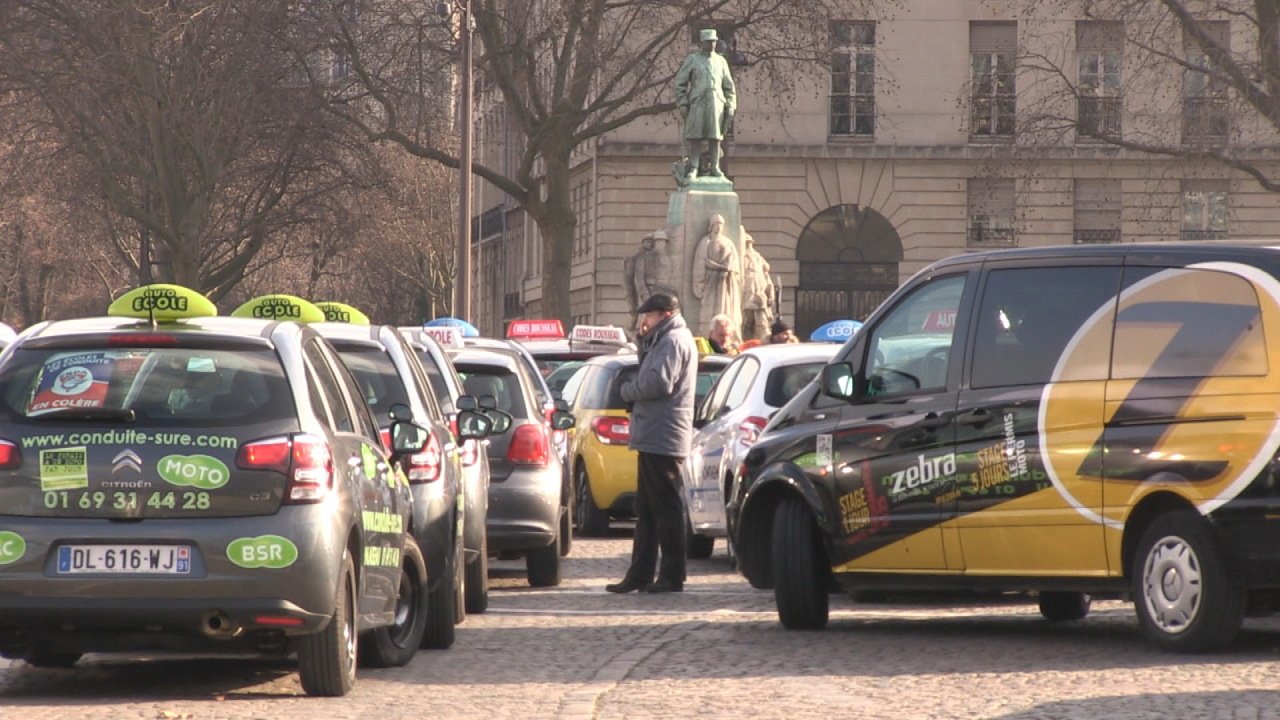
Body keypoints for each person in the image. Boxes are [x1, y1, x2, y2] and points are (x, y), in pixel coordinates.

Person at [606, 292, 698, 594]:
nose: (644, 320)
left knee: (665, 509)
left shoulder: (672, 341)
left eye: (649, 316)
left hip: (664, 433)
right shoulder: (662, 339)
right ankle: (640, 573)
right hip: (656, 433)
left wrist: (628, 390)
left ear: (665, 314)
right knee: (647, 509)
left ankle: (671, 575)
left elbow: (659, 383)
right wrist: (643, 342)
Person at [674, 28, 737, 180]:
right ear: (702, 43)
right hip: (697, 102)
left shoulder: (721, 61)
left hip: (717, 103)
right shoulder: (693, 59)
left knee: (715, 137)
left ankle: (715, 166)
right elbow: (680, 83)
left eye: (714, 41)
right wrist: (682, 103)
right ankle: (694, 166)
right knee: (695, 136)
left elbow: (729, 87)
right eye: (709, 41)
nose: (712, 44)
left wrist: (731, 104)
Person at [691, 213, 741, 334]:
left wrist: (725, 268)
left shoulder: (728, 242)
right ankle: (707, 332)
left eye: (721, 224)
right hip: (711, 280)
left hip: (725, 280)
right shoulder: (705, 241)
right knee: (709, 308)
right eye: (716, 224)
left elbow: (733, 263)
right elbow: (701, 261)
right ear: (711, 226)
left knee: (724, 306)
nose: (719, 227)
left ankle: (726, 329)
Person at [740, 232, 775, 342]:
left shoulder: (757, 257)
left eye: (750, 243)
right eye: (747, 243)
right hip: (747, 294)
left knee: (762, 324)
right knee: (745, 323)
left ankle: (764, 343)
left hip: (759, 294)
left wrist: (770, 291)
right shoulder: (741, 257)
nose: (749, 246)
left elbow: (766, 274)